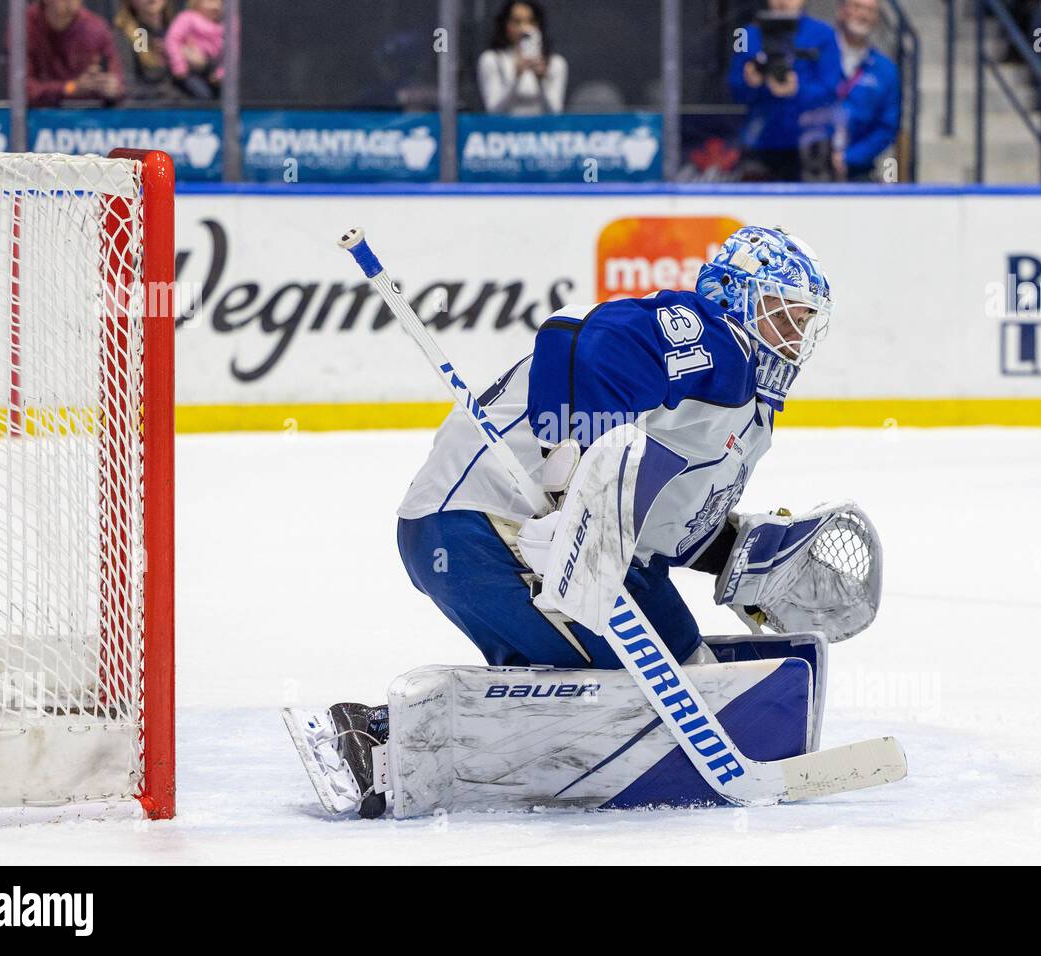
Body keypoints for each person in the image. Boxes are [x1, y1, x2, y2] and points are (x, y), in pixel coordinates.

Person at [292, 227, 885, 817]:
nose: (794, 337)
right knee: (632, 683)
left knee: (682, 665)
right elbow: (581, 335)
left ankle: (409, 741)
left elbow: (650, 523)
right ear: (735, 295)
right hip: (479, 521)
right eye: (783, 315)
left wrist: (738, 554)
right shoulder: (714, 338)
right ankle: (377, 740)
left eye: (805, 323)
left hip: (537, 534)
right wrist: (568, 471)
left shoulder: (742, 412)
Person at [728, 0, 843, 181]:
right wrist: (750, 82)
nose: (783, 1)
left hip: (810, 145)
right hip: (760, 142)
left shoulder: (825, 35)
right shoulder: (743, 35)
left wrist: (797, 91)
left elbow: (832, 90)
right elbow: (734, 88)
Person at [832, 0, 900, 181]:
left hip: (858, 172)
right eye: (857, 7)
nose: (863, 15)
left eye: (870, 10)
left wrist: (848, 157)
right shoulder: (817, 54)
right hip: (807, 165)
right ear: (842, 10)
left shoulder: (885, 70)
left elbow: (887, 127)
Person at [18, 0, 124, 107]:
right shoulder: (23, 27)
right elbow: (21, 89)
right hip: (38, 115)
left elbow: (118, 83)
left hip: (87, 117)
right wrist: (71, 88)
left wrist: (110, 87)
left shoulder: (96, 28)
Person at [477, 1, 568, 114]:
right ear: (506, 25)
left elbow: (555, 111)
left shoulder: (555, 63)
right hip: (504, 130)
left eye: (531, 21)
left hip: (541, 129)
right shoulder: (491, 60)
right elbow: (493, 110)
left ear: (538, 26)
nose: (524, 28)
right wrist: (516, 76)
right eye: (517, 22)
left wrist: (541, 80)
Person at [113, 0, 182, 103]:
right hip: (149, 112)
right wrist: (173, 95)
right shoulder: (133, 35)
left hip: (190, 111)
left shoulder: (179, 28)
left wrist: (201, 64)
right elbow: (128, 87)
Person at [165, 0, 224, 100]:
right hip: (189, 73)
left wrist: (220, 73)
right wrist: (179, 66)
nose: (215, 6)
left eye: (219, 2)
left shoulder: (226, 26)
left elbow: (229, 56)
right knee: (203, 95)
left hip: (213, 74)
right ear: (196, 3)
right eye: (210, 2)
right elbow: (172, 40)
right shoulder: (187, 18)